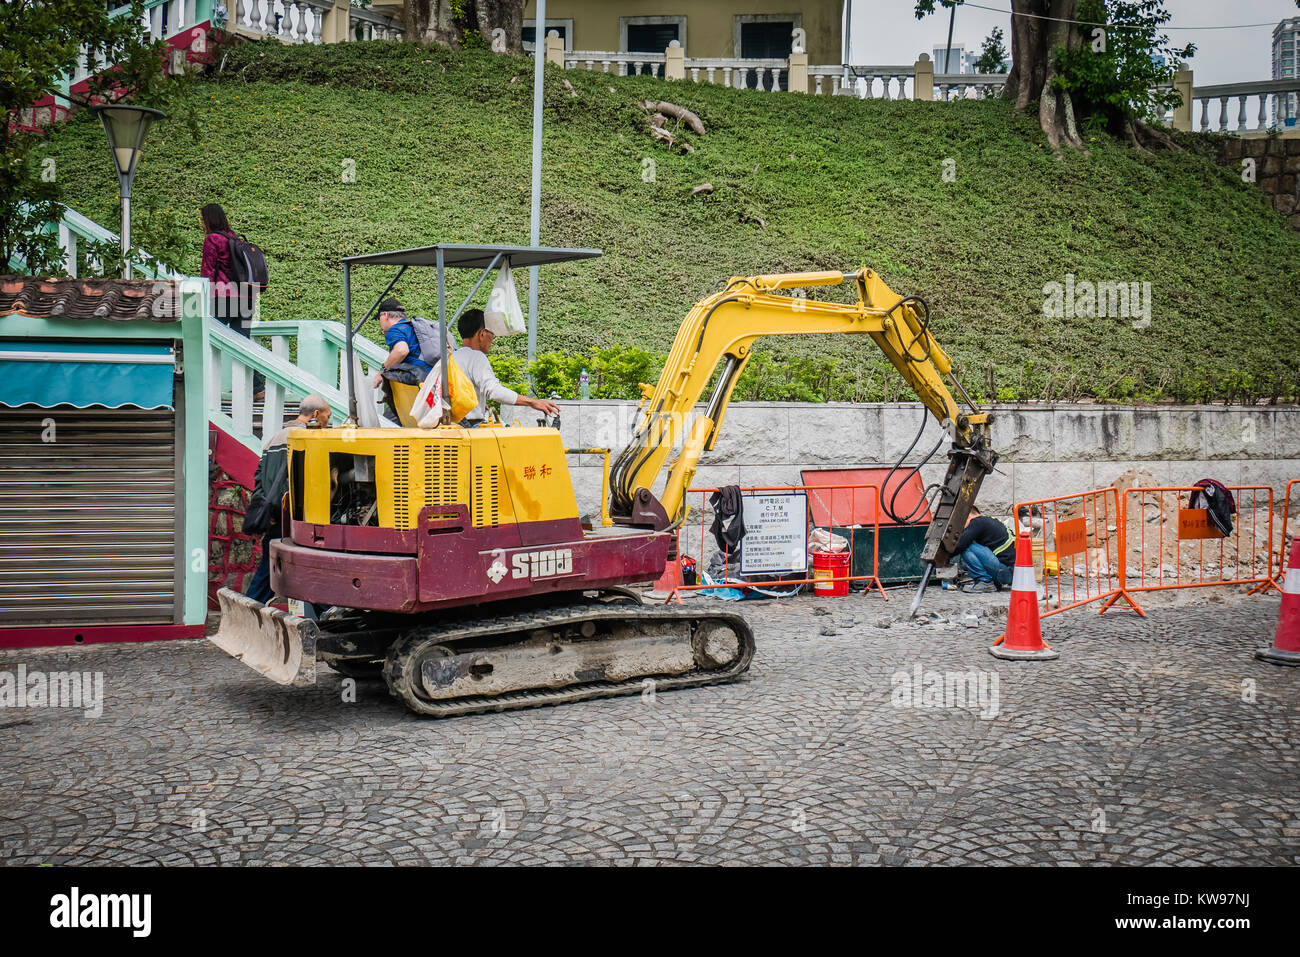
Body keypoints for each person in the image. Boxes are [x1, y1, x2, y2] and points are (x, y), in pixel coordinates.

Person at [245, 394, 331, 604]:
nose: (328, 421)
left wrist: (265, 511)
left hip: (274, 517)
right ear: (316, 414)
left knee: (268, 571)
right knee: (311, 571)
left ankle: (249, 607)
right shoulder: (306, 438)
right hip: (293, 518)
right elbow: (299, 481)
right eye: (327, 416)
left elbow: (258, 477)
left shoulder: (273, 439)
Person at [452, 308, 559, 426]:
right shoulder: (476, 357)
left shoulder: (450, 358)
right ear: (482, 334)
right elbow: (494, 391)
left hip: (451, 426)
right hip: (470, 428)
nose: (492, 340)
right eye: (492, 334)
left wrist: (479, 404)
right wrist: (532, 402)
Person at [200, 203, 263, 395]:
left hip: (223, 297)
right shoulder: (234, 238)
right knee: (242, 342)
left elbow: (208, 271)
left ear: (208, 220)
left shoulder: (212, 239)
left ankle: (206, 388)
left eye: (202, 219)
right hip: (246, 297)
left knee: (208, 339)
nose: (201, 223)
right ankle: (257, 388)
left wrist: (203, 296)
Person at [952, 505, 1016, 593]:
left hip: (1004, 572)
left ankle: (985, 582)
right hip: (1011, 573)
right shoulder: (988, 521)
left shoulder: (977, 522)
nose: (963, 528)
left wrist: (943, 558)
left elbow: (960, 545)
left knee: (967, 547)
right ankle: (991, 582)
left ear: (967, 516)